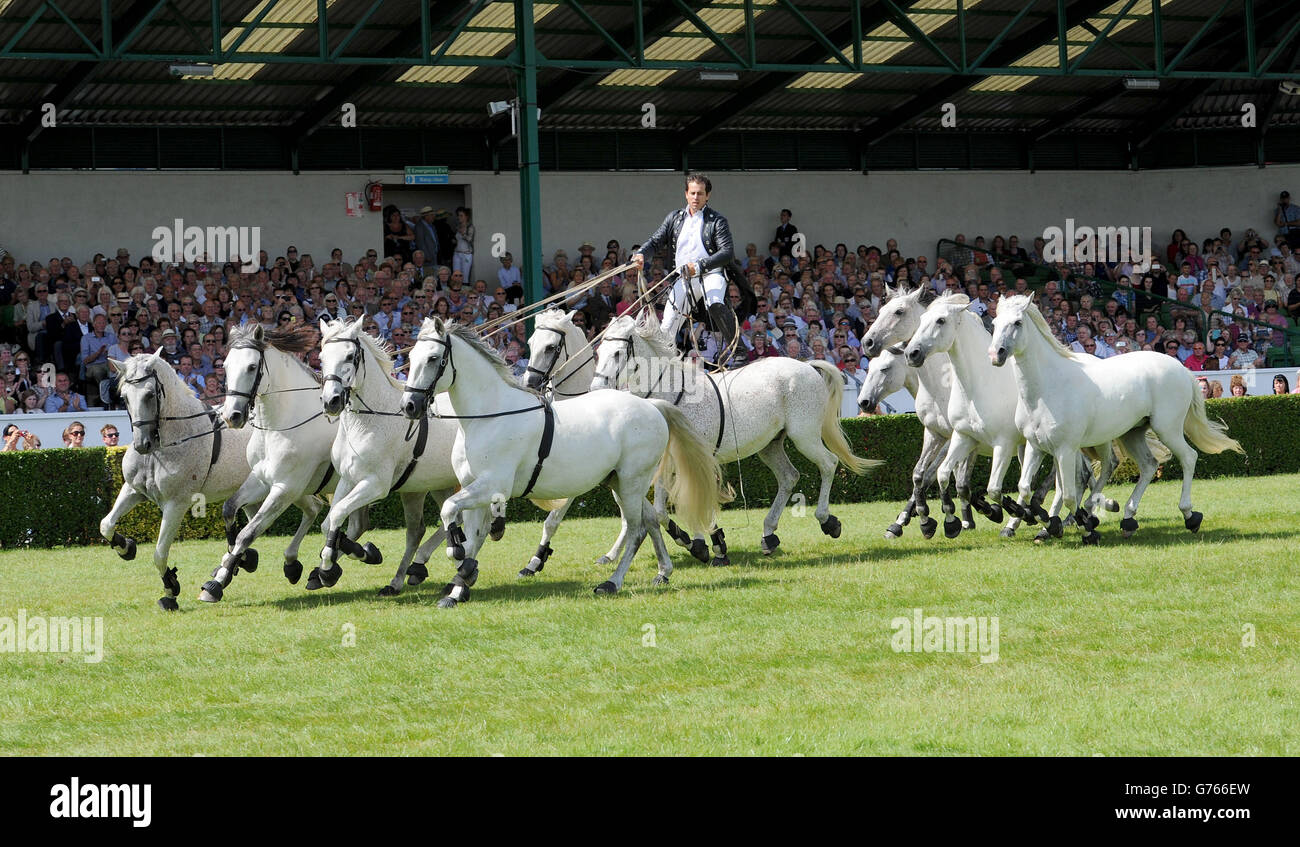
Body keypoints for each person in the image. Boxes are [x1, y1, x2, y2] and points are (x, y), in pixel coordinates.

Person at [632, 172, 751, 360]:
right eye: (693, 193)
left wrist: (700, 266)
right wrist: (641, 254)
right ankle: (658, 366)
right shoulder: (674, 218)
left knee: (715, 304)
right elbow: (655, 242)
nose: (696, 197)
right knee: (667, 327)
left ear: (708, 195)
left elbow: (727, 252)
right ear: (686, 194)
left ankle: (739, 351)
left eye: (700, 194)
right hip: (683, 278)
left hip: (711, 275)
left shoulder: (717, 220)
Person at [453, 206, 475, 282]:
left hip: (466, 254)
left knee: (464, 277)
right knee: (455, 275)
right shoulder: (458, 226)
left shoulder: (470, 227)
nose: (459, 217)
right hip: (457, 253)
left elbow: (470, 239)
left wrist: (463, 234)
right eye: (458, 215)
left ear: (466, 217)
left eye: (461, 215)